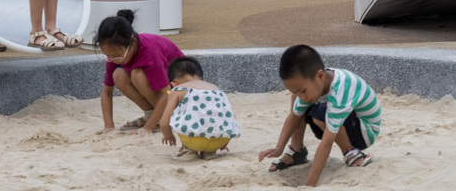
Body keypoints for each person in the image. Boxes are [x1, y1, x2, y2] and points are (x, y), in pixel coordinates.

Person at [260, 44, 380, 184]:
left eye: (303, 90)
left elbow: (326, 143)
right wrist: (278, 148)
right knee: (299, 103)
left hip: (364, 131)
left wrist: (310, 183)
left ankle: (350, 152)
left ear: (320, 76)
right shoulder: (316, 84)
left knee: (320, 114)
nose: (302, 96)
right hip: (345, 120)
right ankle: (297, 151)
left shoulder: (340, 91)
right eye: (296, 91)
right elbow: (294, 116)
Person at [97, 8, 183, 132]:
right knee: (119, 75)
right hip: (165, 93)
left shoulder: (150, 53)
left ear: (132, 42)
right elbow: (106, 92)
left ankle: (164, 117)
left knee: (137, 74)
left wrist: (148, 128)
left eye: (117, 55)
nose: (113, 59)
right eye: (108, 55)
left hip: (178, 91)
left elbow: (167, 92)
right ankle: (151, 115)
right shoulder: (114, 54)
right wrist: (109, 126)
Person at [146, 56, 240, 158]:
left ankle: (188, 150)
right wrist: (224, 142)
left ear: (174, 84)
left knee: (183, 114)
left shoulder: (178, 90)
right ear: (203, 79)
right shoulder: (217, 89)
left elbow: (165, 122)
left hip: (194, 140)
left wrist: (169, 136)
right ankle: (209, 153)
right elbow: (231, 118)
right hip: (219, 140)